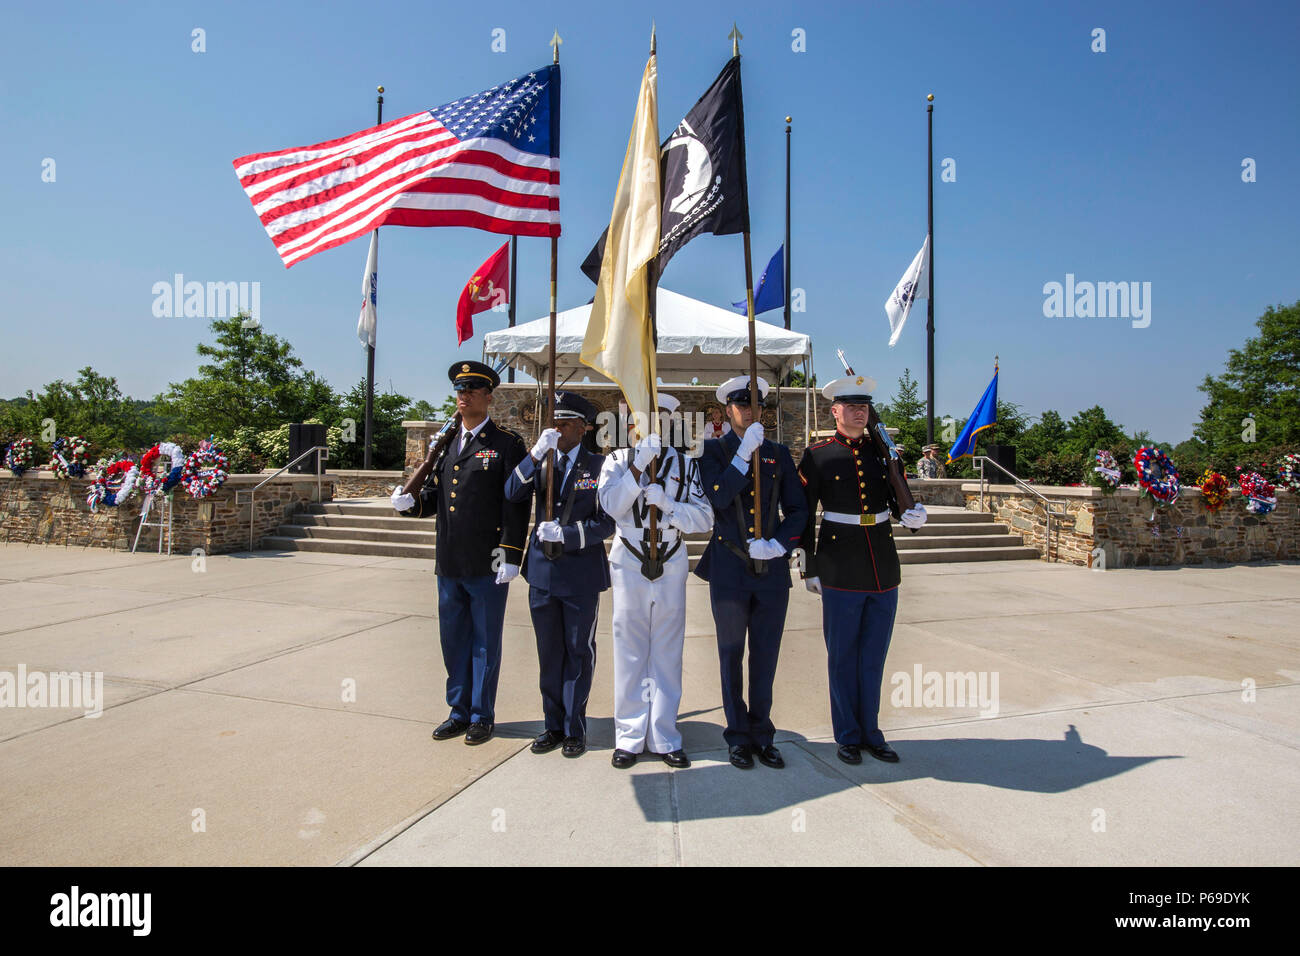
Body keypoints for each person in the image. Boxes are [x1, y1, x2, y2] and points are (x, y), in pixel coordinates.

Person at [391, 361, 529, 746]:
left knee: (485, 641)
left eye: (471, 390)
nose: (463, 396)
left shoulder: (506, 443)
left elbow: (516, 503)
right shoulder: (448, 442)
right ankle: (458, 710)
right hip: (450, 560)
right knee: (453, 640)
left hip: (487, 562)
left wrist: (512, 553)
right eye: (459, 390)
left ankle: (482, 714)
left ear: (488, 397)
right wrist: (411, 504)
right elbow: (437, 497)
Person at [797, 374, 928, 765]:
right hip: (840, 566)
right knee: (842, 656)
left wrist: (913, 513)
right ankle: (848, 735)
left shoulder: (882, 454)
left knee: (873, 656)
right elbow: (804, 514)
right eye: (852, 406)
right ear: (835, 411)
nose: (859, 411)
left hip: (883, 567)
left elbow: (897, 496)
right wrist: (808, 564)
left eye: (865, 406)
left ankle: (872, 732)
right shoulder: (818, 455)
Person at [695, 376, 808, 770]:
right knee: (731, 655)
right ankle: (737, 735)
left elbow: (798, 509)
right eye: (741, 405)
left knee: (766, 655)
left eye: (755, 404)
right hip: (729, 568)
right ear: (728, 410)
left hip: (771, 572)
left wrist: (780, 543)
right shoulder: (712, 450)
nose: (748, 410)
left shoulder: (778, 452)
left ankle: (762, 733)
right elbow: (720, 495)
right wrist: (742, 455)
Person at [597, 393, 713, 770]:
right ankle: (629, 736)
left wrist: (669, 506)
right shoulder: (615, 461)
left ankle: (664, 735)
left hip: (670, 555)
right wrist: (637, 470)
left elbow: (704, 519)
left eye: (658, 421)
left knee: (667, 647)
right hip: (629, 555)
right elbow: (611, 506)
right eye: (641, 420)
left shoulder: (686, 464)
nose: (649, 428)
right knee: (629, 647)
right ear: (629, 424)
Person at [504, 391, 614, 759]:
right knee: (548, 653)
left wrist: (568, 535)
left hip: (581, 575)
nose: (557, 427)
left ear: (582, 428)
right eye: (555, 421)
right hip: (543, 574)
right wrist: (534, 454)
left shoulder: (600, 466)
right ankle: (551, 725)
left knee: (578, 652)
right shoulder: (542, 459)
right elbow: (512, 492)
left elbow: (606, 523)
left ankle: (574, 727)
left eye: (565, 423)